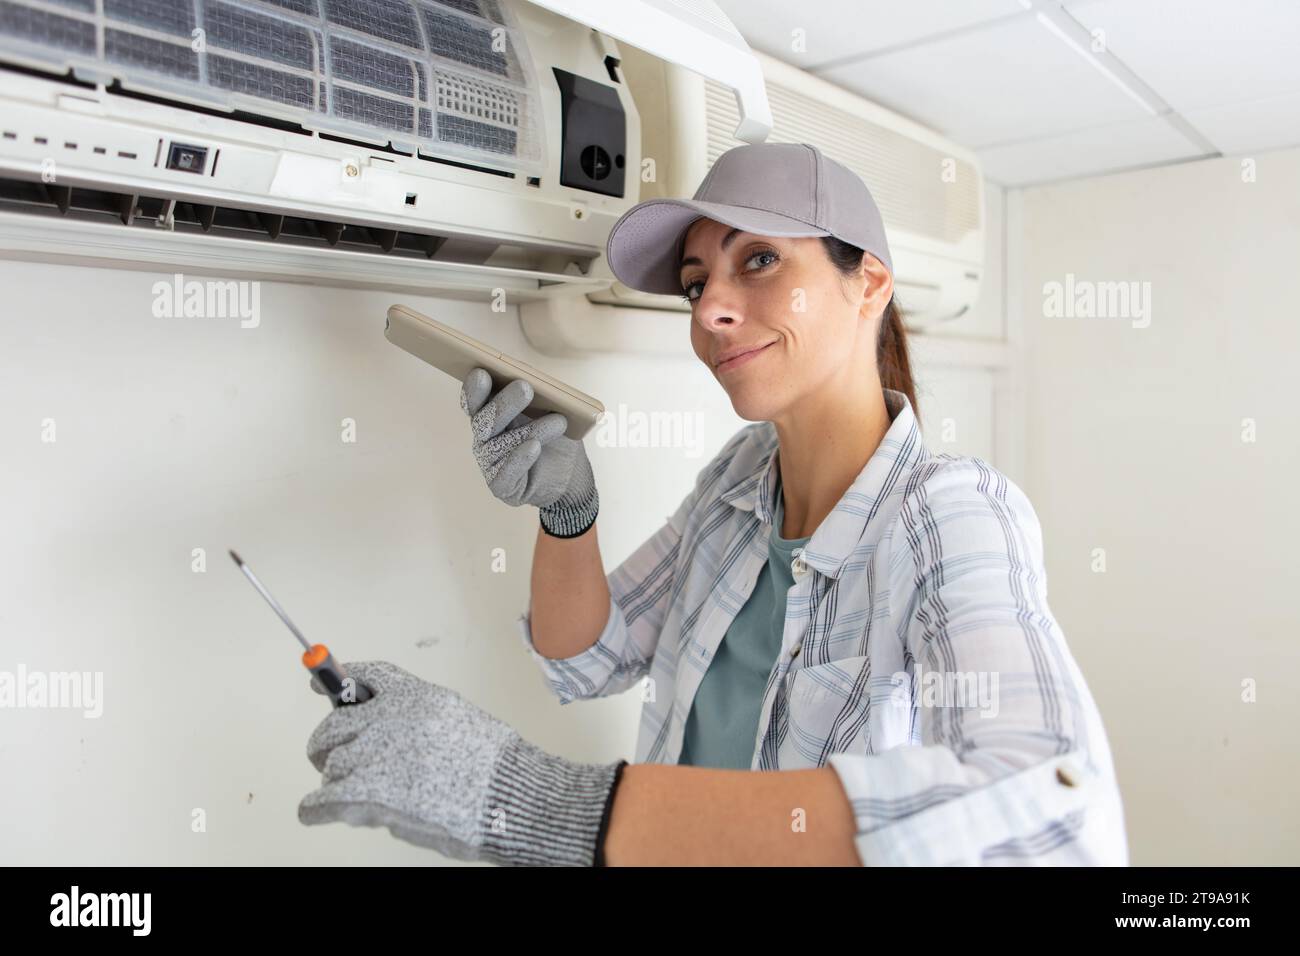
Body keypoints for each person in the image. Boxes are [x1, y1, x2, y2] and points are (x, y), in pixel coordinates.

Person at [298, 142, 1129, 866]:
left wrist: (543, 804)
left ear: (868, 283)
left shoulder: (949, 513)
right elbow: (584, 655)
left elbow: (1054, 814)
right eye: (696, 284)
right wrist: (567, 513)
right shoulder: (737, 481)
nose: (711, 311)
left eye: (758, 260)